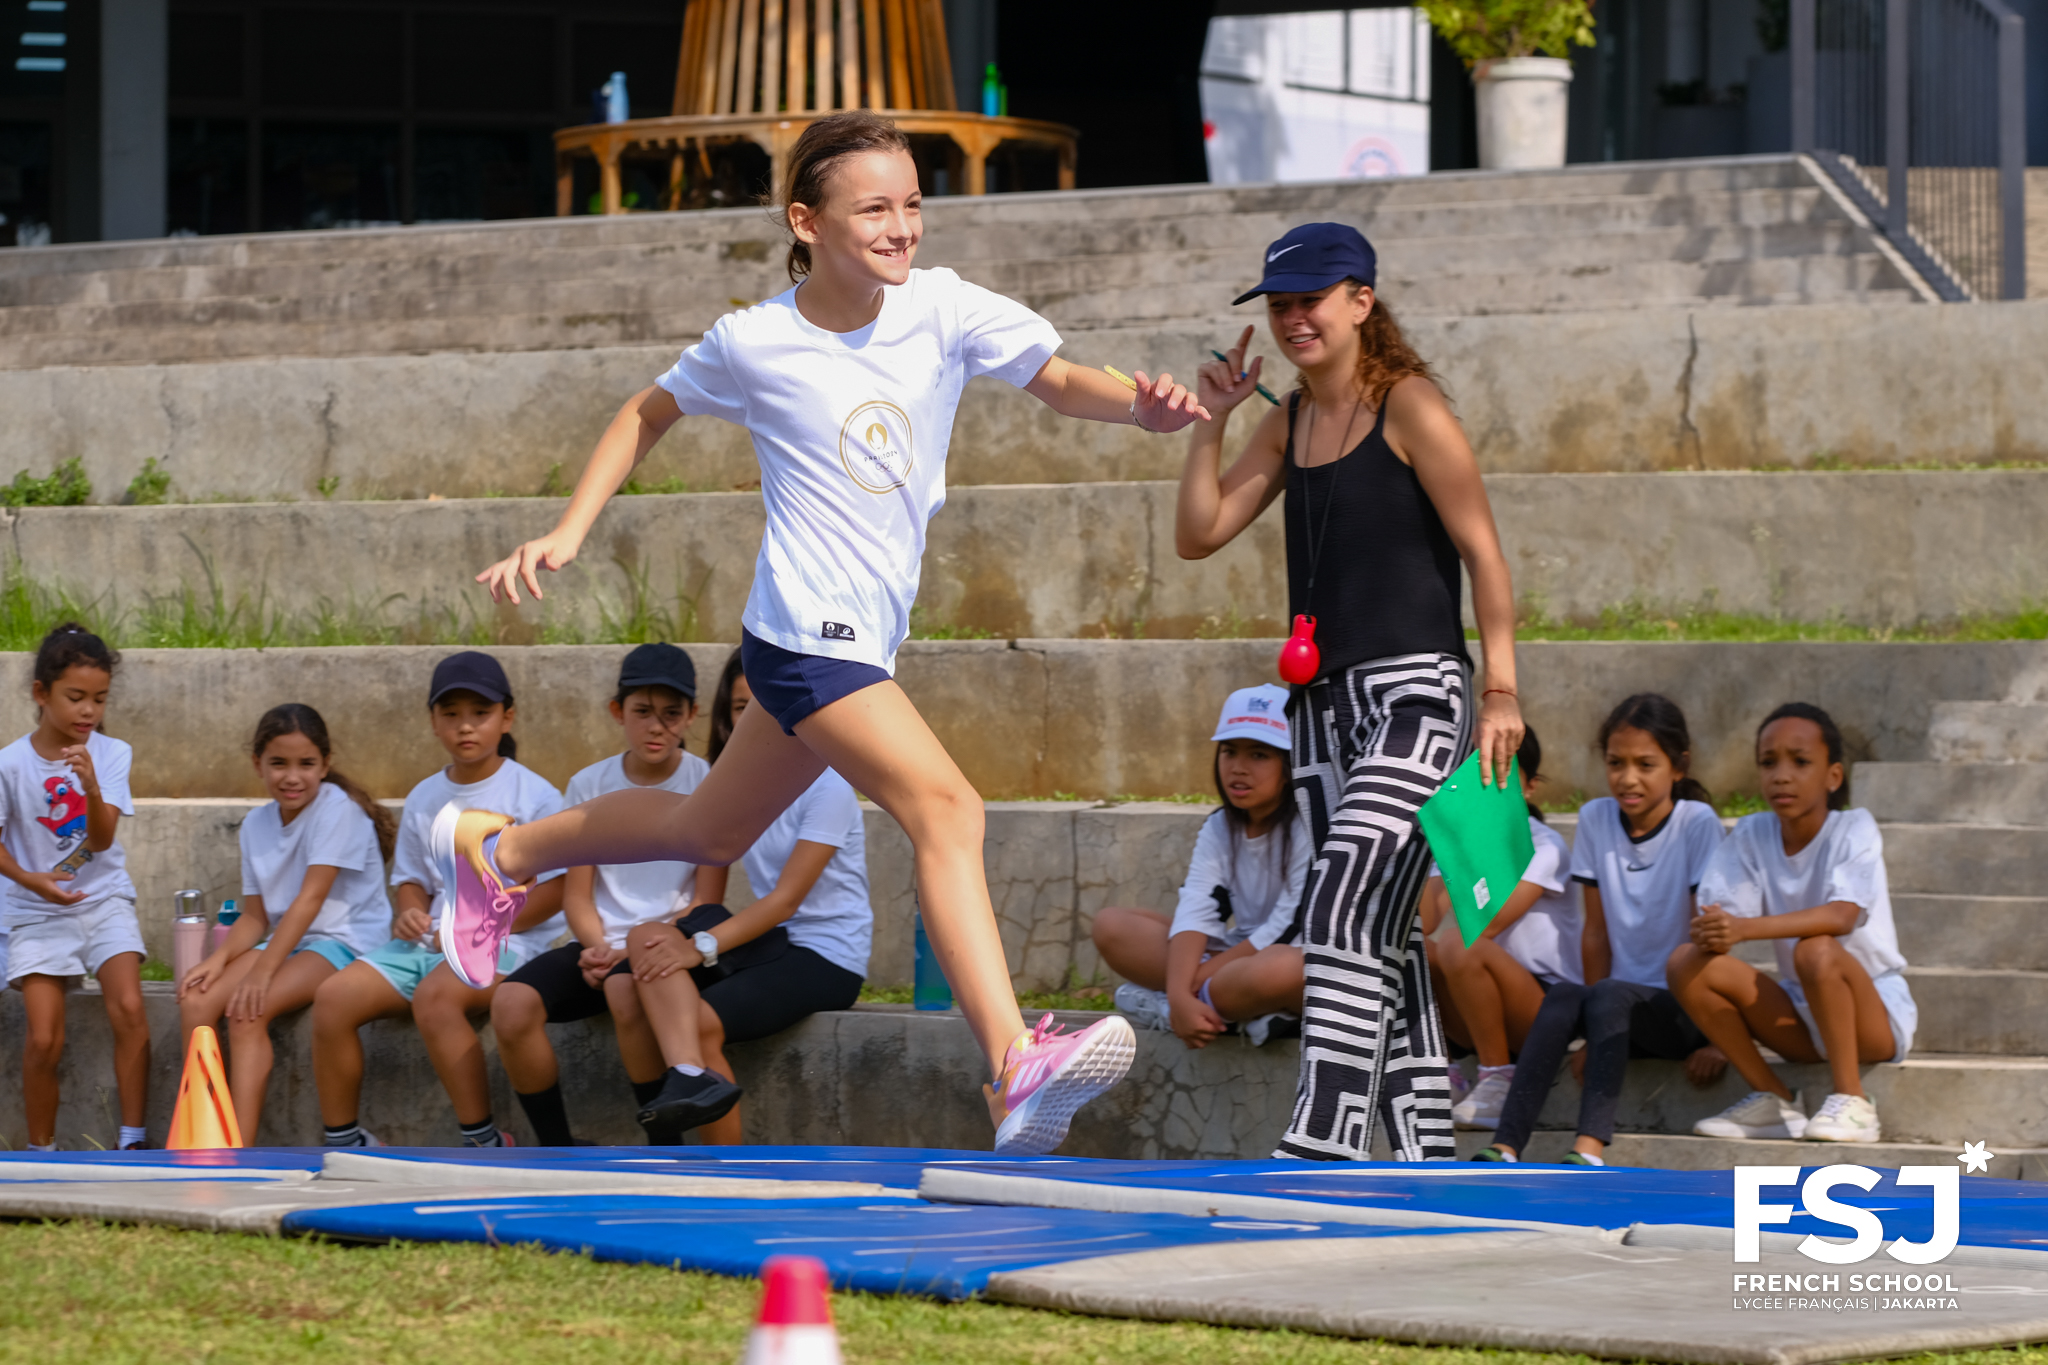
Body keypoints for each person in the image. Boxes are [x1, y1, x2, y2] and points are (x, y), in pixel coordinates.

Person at [451, 111, 1207, 1154]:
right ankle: (1010, 1069)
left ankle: (501, 854)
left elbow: (1059, 379)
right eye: (873, 210)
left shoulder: (942, 307)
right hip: (810, 639)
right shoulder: (754, 340)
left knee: (702, 833)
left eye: (910, 205)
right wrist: (567, 530)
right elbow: (645, 412)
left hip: (837, 644)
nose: (900, 228)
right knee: (947, 808)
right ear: (803, 221)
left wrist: (1144, 409)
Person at [1174, 222, 1524, 1161]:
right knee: (1385, 937)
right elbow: (1200, 532)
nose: (1294, 320)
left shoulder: (1408, 404)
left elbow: (1483, 552)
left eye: (1310, 301)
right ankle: (1425, 1154)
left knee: (1338, 898)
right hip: (1320, 713)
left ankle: (1320, 1136)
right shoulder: (1285, 420)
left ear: (1361, 302)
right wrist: (1211, 417)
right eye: (1279, 305)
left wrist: (1501, 690)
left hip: (1419, 697)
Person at [310, 651, 565, 1148]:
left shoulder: (535, 796)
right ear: (433, 722)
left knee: (436, 999)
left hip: (508, 943)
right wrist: (409, 911)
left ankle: (485, 1140)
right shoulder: (427, 796)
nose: (465, 727)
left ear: (506, 717)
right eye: (450, 714)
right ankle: (343, 1141)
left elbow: (554, 891)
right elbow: (412, 880)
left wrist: (482, 929)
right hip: (431, 942)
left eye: (480, 713)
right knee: (332, 999)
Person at [625, 651, 874, 1144]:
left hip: (828, 955)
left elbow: (785, 900)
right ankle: (676, 1117)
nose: (760, 718)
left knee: (696, 1023)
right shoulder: (736, 788)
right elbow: (706, 895)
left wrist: (696, 947)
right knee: (647, 940)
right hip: (774, 942)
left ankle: (726, 1175)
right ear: (727, 716)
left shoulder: (829, 784)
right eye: (742, 707)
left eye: (772, 702)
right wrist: (669, 938)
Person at [1474, 694, 1724, 1165]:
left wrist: (1718, 1037)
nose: (1627, 778)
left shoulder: (1697, 823)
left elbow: (1705, 936)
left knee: (1609, 994)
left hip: (1681, 1008)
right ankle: (1506, 1145)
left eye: (1646, 764)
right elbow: (1595, 933)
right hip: (1616, 1006)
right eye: (1616, 762)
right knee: (1568, 995)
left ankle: (1588, 1149)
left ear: (1678, 767)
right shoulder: (1595, 818)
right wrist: (1590, 1032)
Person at [490, 643, 721, 1146]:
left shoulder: (708, 781)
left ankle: (666, 1147)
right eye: (642, 712)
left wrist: (625, 953)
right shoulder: (589, 783)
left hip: (666, 945)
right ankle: (556, 1148)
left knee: (626, 987)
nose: (656, 726)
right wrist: (596, 947)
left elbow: (705, 899)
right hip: (599, 945)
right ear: (618, 712)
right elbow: (578, 893)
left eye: (671, 713)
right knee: (510, 1003)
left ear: (692, 715)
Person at [1672, 703, 1915, 1144]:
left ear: (1833, 777)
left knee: (1815, 948)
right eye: (1769, 762)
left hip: (1872, 1015)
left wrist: (1744, 929)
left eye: (1800, 762)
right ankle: (1774, 1100)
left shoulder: (1854, 828)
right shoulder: (1751, 833)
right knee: (1685, 962)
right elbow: (1719, 917)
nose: (1781, 775)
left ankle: (1854, 1102)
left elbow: (1842, 916)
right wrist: (1715, 930)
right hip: (1802, 1015)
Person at [179, 704, 396, 1134]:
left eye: (306, 764)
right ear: (257, 763)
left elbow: (310, 900)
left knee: (246, 1012)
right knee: (197, 1000)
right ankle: (202, 1129)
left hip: (343, 941)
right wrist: (217, 960)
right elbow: (256, 916)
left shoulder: (339, 809)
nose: (292, 776)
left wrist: (261, 973)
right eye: (278, 763)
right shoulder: (256, 824)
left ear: (326, 764)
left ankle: (235, 1149)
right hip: (292, 941)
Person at [1093, 684, 1309, 1049]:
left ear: (1289, 767)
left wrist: (1192, 981)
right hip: (1236, 961)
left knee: (1282, 970)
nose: (1238, 768)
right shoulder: (1219, 826)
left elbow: (1288, 926)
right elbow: (1196, 909)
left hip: (1293, 959)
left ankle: (1178, 1007)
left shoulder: (1308, 827)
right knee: (1112, 926)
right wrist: (1180, 992)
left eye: (1259, 755)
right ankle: (1239, 1012)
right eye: (1229, 752)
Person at [0, 624, 146, 1150]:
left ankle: (133, 1139)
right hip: (36, 911)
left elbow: (103, 842)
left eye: (100, 700)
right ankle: (43, 1151)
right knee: (43, 1037)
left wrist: (90, 784)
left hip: (103, 899)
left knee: (130, 1008)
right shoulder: (10, 763)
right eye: (76, 698)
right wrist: (30, 880)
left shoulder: (110, 754)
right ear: (42, 694)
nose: (89, 712)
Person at [1420, 726, 1581, 1130]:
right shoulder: (1453, 848)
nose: (1487, 784)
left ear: (1530, 786)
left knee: (1464, 944)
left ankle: (1497, 1077)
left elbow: (1485, 927)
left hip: (1545, 1009)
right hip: (1479, 1004)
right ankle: (1447, 1071)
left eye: (1501, 771)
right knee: (1417, 947)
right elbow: (1428, 924)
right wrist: (1445, 839)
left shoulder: (1544, 848)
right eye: (1472, 774)